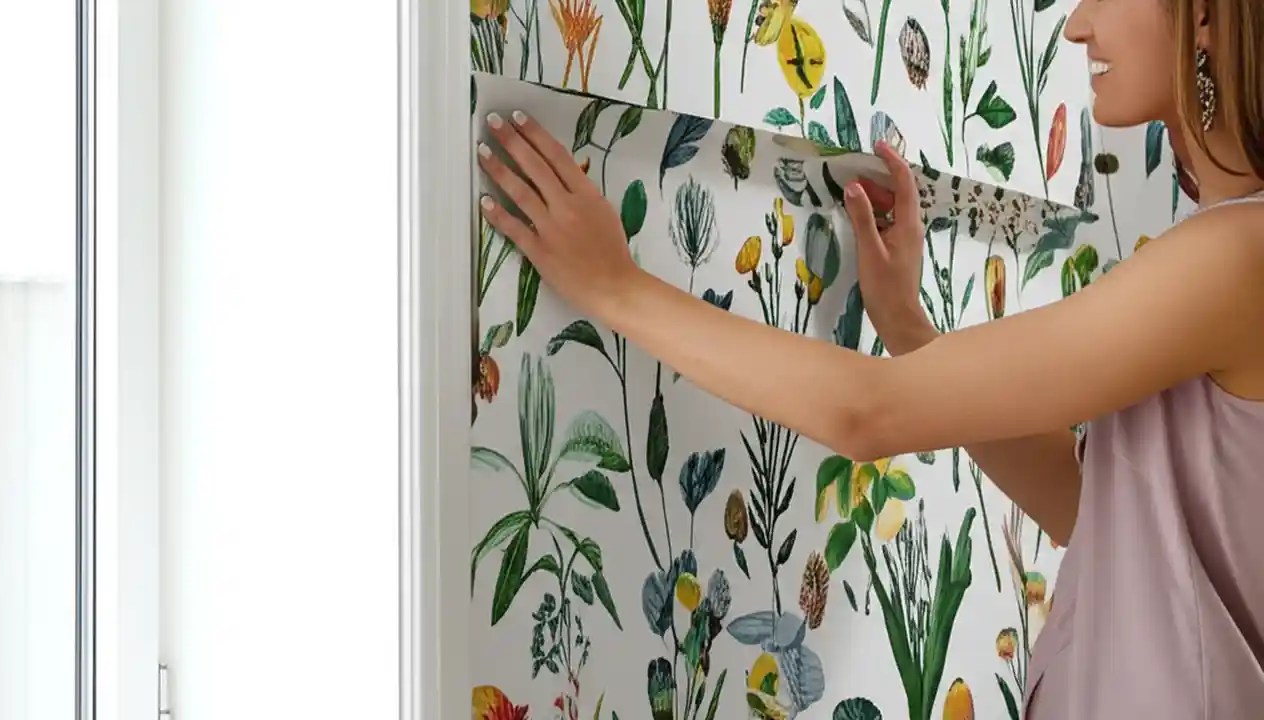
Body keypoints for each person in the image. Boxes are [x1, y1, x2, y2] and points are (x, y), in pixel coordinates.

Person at [475, 0, 1264, 716]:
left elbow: (867, 413)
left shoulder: (1238, 255)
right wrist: (910, 331)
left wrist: (618, 290)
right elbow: (1089, 508)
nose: (1078, 25)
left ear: (1205, 17)